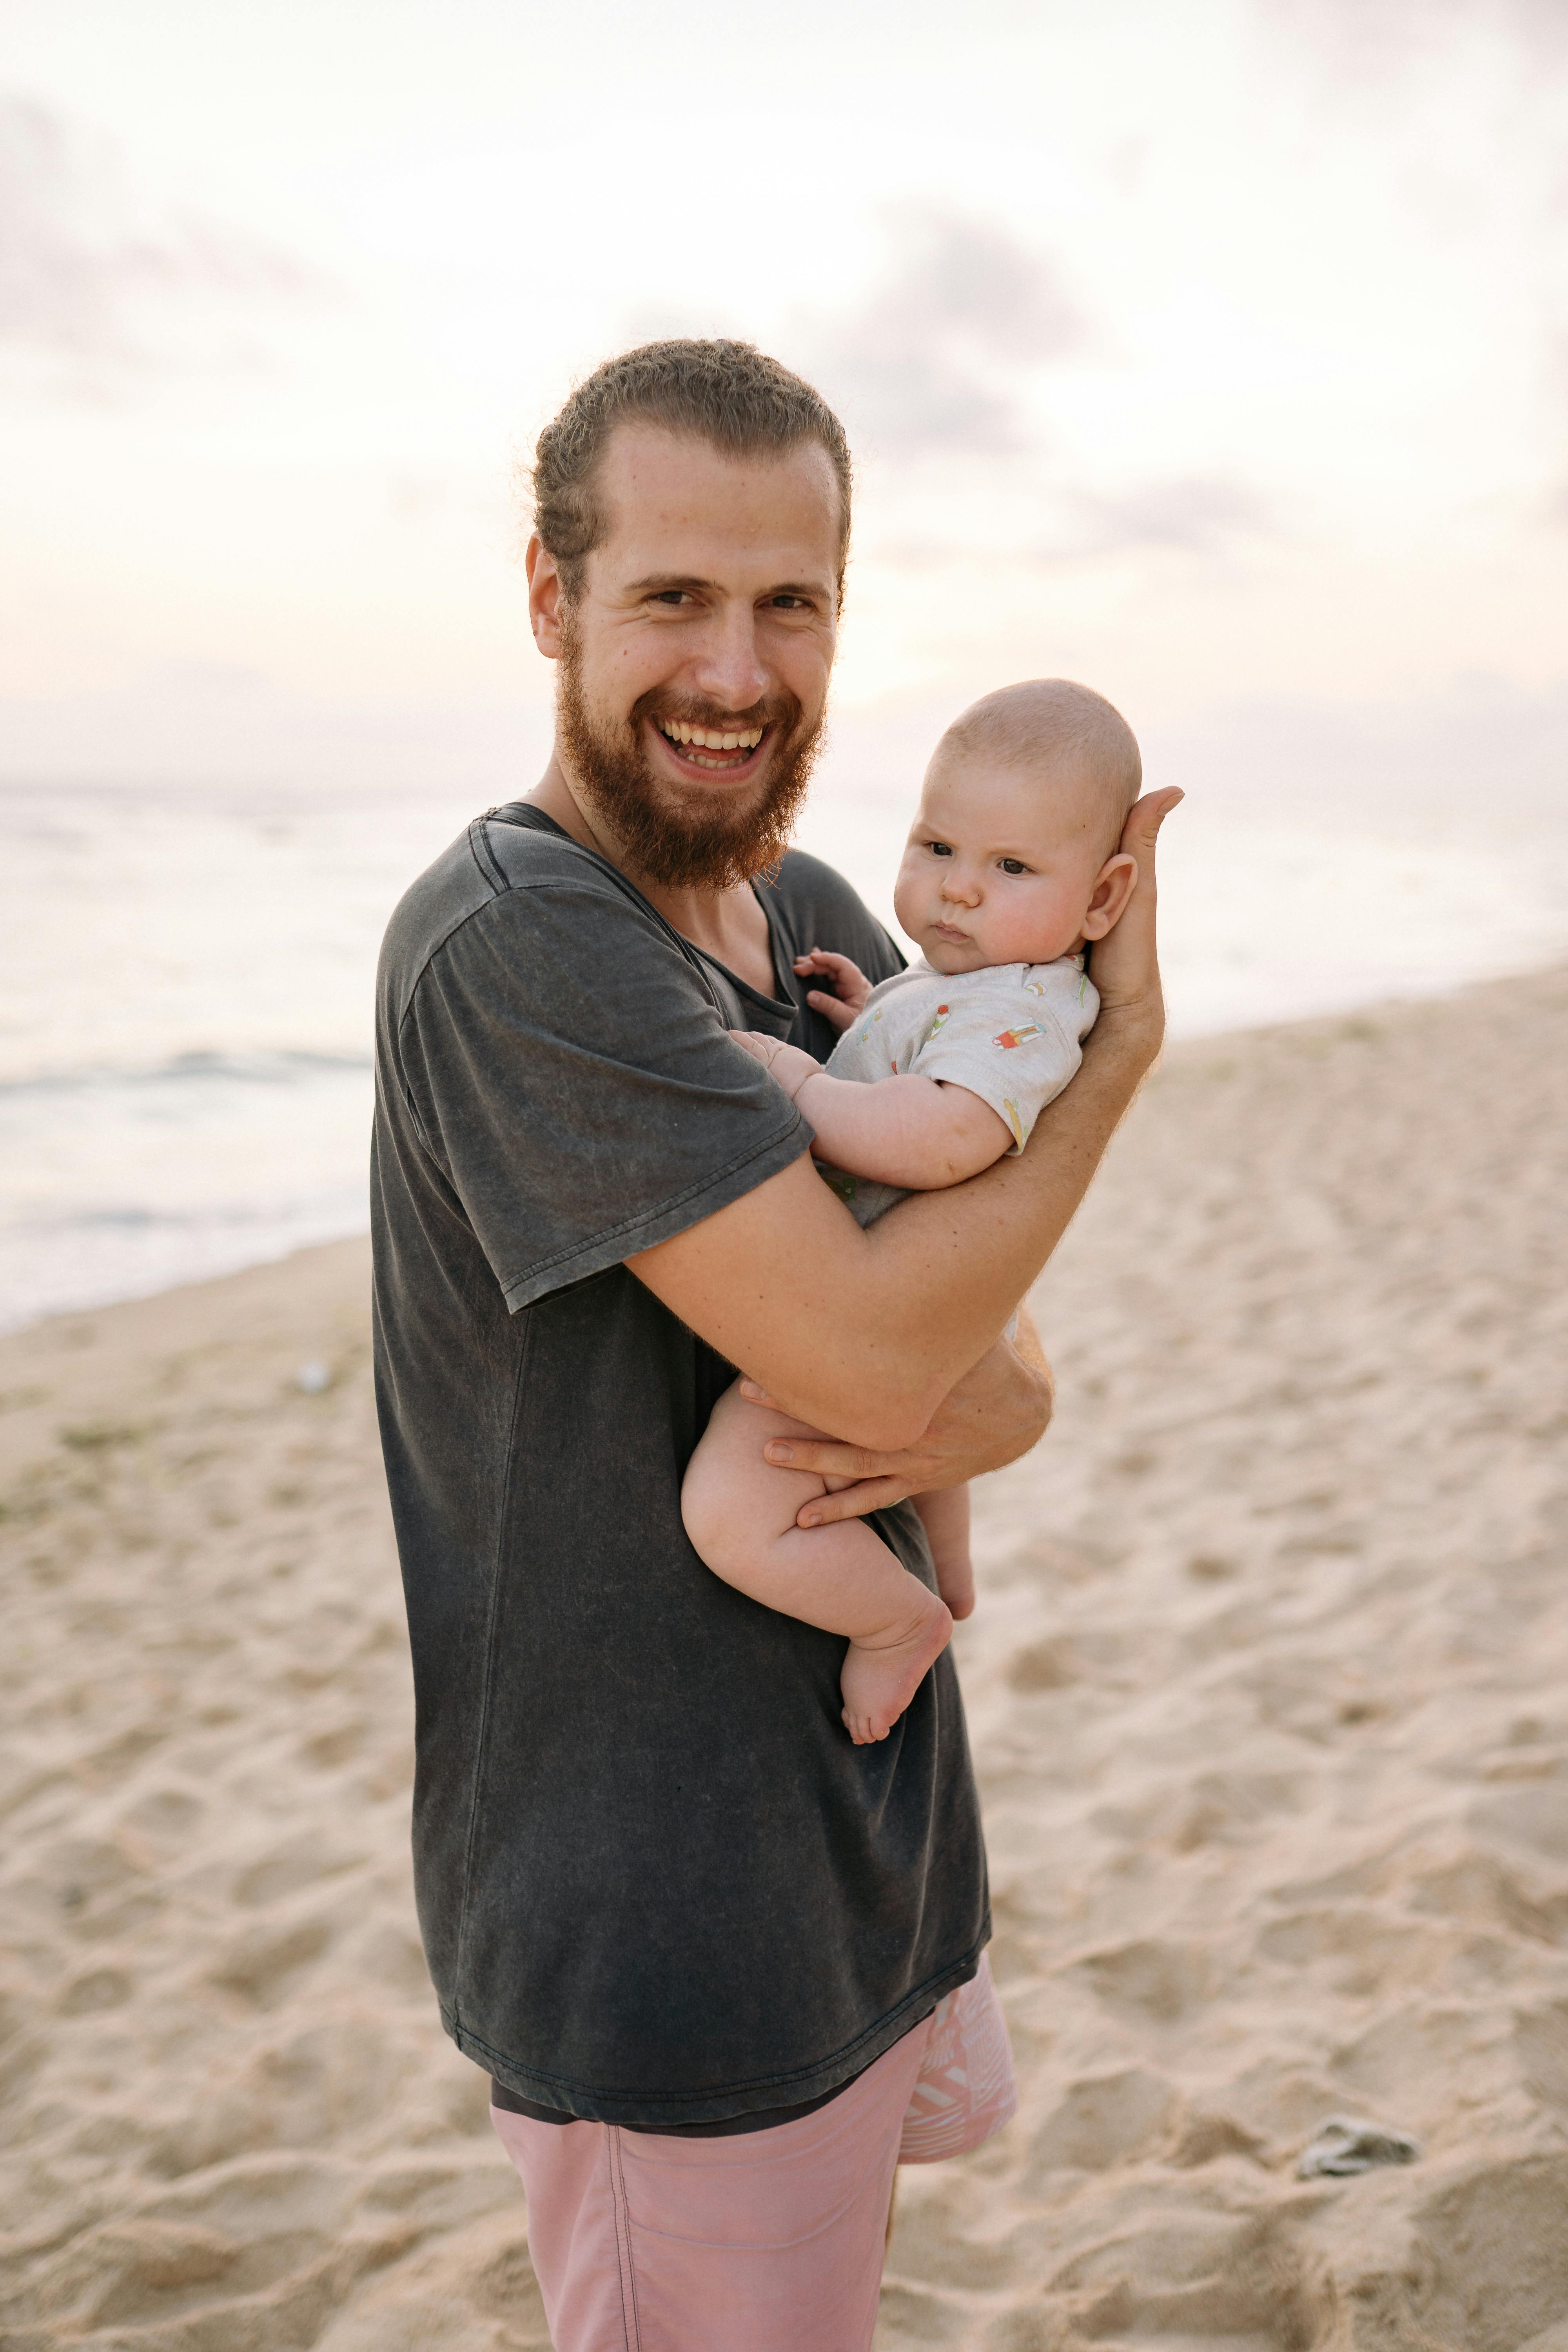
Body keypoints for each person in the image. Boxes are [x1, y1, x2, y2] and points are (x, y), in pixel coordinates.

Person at [371, 338, 1178, 2352]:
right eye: (672, 596)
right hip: (668, 1914)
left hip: (849, 1839)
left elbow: (981, 1340)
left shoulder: (805, 903)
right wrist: (1127, 1054)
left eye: (788, 603)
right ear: (553, 598)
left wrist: (963, 1374)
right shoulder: (525, 947)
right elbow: (901, 1367)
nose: (736, 669)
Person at [682, 679, 1141, 1744]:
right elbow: (937, 1051)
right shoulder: (987, 984)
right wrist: (872, 1016)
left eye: (1012, 867)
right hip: (938, 1315)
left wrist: (808, 1083)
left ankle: (897, 1622)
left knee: (731, 1513)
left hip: (874, 1312)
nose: (960, 893)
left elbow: (938, 1136)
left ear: (1105, 900)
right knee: (933, 1455)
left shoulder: (1023, 1011)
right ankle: (955, 1569)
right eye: (937, 847)